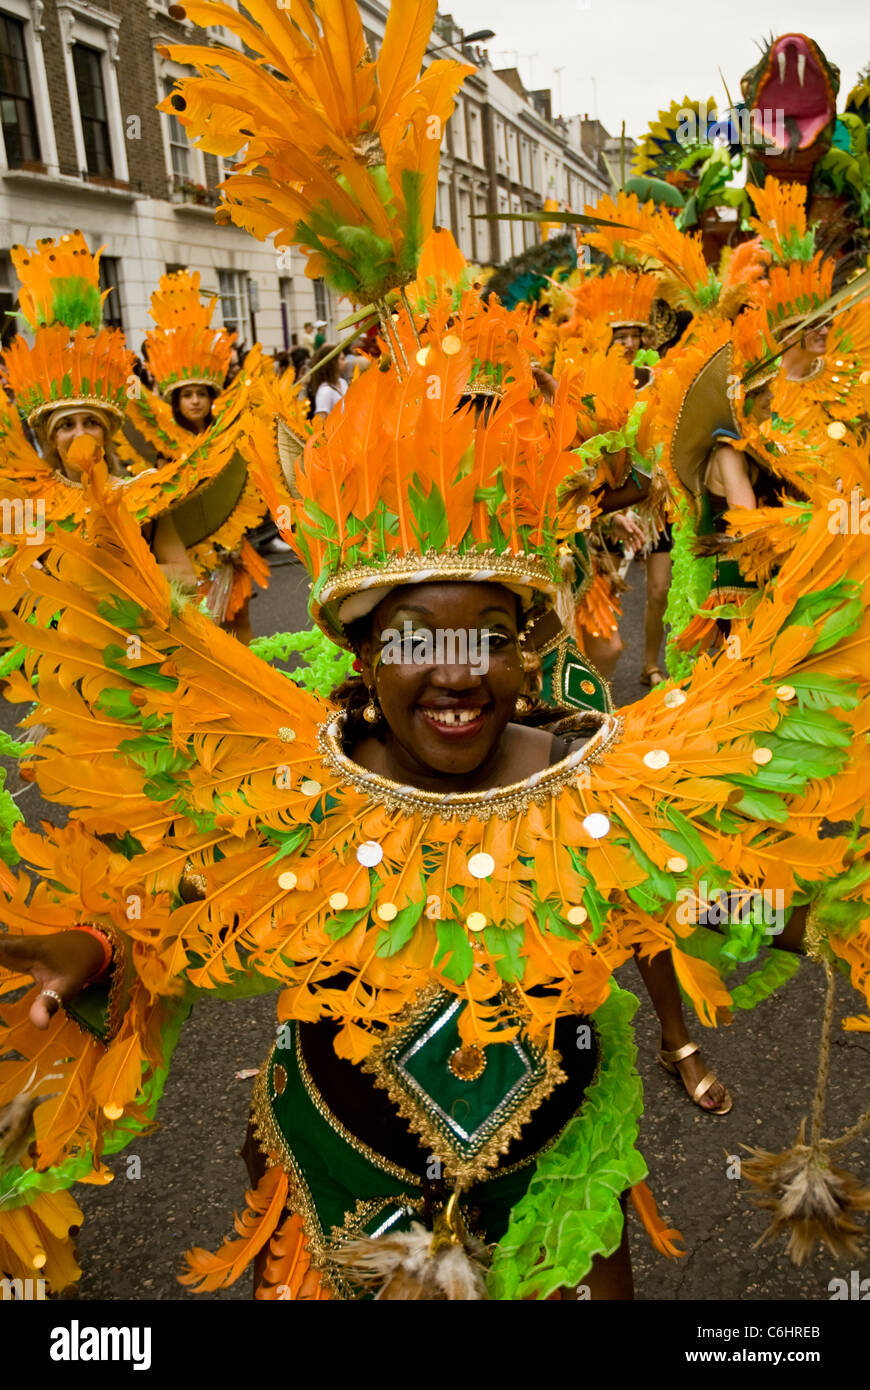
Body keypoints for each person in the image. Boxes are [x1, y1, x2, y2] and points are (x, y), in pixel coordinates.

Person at [309, 344, 348, 418]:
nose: (346, 362)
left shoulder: (343, 382)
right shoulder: (325, 391)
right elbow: (321, 423)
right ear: (333, 363)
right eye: (342, 359)